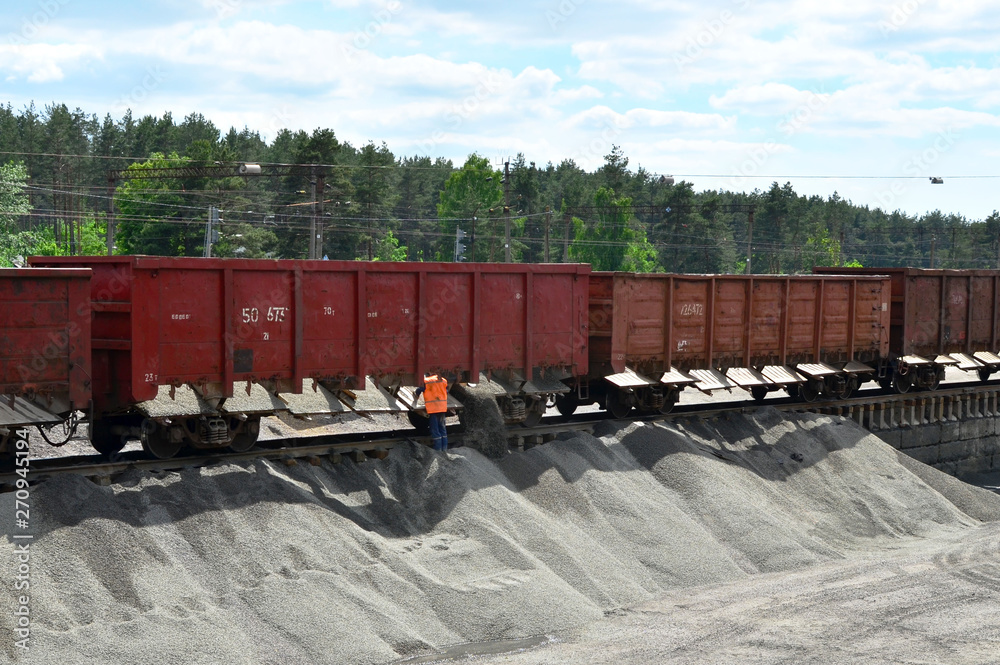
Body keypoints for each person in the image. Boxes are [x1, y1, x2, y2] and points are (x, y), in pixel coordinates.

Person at [415, 373, 449, 451]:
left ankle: (438, 450)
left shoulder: (426, 381)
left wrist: (416, 396)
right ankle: (444, 449)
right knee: (443, 429)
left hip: (433, 409)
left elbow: (418, 390)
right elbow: (446, 391)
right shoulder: (444, 381)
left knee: (435, 430)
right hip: (442, 408)